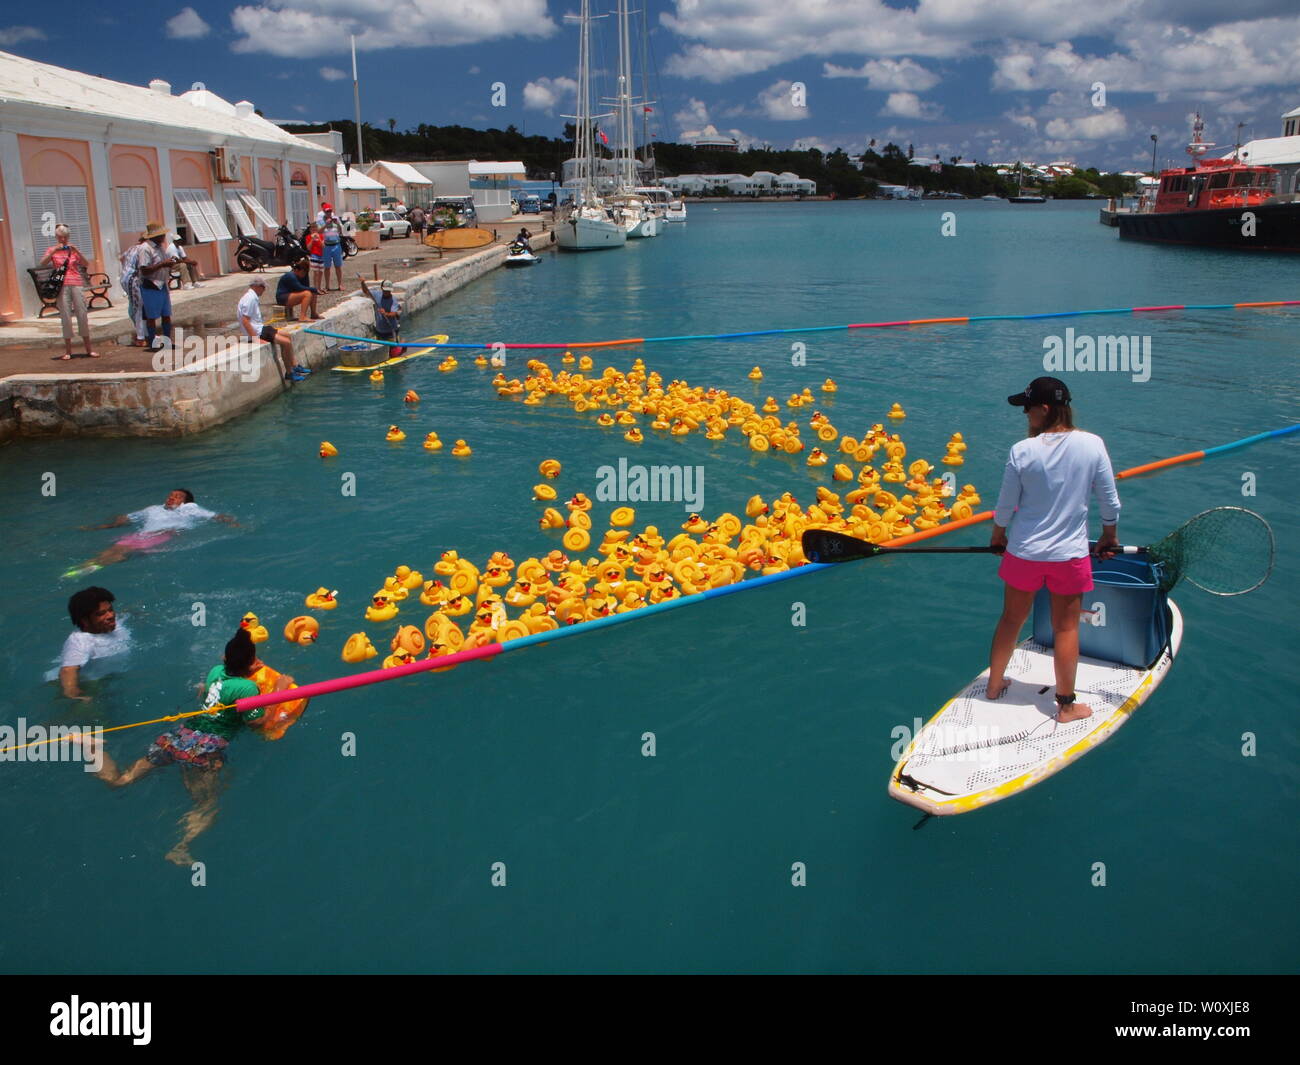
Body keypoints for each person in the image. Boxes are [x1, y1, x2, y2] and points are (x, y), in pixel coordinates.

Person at [78, 627, 298, 865]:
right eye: (256, 659)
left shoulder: (215, 671)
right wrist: (279, 691)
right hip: (204, 749)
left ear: (224, 659)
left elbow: (205, 692)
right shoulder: (248, 688)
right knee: (208, 805)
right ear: (249, 666)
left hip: (179, 736)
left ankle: (90, 746)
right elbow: (256, 722)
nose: (260, 662)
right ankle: (180, 846)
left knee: (120, 781)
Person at [987, 377, 1121, 723]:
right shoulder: (1092, 445)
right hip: (1068, 557)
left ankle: (994, 685)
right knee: (1066, 629)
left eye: (1027, 409)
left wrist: (998, 536)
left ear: (1044, 410)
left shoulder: (1022, 451)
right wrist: (1109, 535)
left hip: (1023, 553)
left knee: (1011, 619)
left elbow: (1005, 505)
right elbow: (1109, 499)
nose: (1025, 415)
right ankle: (1065, 706)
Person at [70, 488, 238, 573]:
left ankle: (92, 567)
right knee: (113, 549)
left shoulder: (190, 509)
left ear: (185, 502)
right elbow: (126, 519)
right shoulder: (152, 509)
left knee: (124, 550)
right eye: (171, 495)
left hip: (163, 534)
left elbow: (215, 516)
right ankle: (86, 566)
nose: (172, 497)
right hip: (140, 536)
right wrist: (101, 526)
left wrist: (232, 523)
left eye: (178, 496)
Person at [46, 587, 130, 701]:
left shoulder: (112, 624)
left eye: (110, 609)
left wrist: (137, 613)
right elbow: (68, 670)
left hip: (104, 677)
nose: (110, 616)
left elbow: (125, 613)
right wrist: (74, 694)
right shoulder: (80, 641)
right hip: (84, 682)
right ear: (84, 620)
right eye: (101, 613)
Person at [38, 224, 99, 360]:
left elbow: (85, 263)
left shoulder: (72, 251)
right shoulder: (52, 250)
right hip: (62, 285)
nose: (63, 240)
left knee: (82, 314)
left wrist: (76, 250)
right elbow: (42, 263)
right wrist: (53, 251)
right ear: (56, 237)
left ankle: (89, 349)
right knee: (65, 316)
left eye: (65, 237)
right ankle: (68, 351)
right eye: (60, 237)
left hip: (76, 283)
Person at [238, 278, 306, 381]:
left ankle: (295, 365)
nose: (264, 290)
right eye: (263, 287)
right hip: (257, 332)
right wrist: (255, 339)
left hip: (260, 328)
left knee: (287, 335)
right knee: (286, 342)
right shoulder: (250, 299)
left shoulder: (251, 297)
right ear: (256, 287)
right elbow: (245, 320)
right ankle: (289, 372)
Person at [134, 220, 179, 351]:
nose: (164, 237)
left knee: (166, 314)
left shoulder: (160, 247)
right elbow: (144, 270)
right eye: (162, 235)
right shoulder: (145, 249)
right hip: (151, 286)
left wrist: (169, 264)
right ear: (155, 236)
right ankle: (152, 341)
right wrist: (163, 264)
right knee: (151, 316)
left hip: (162, 284)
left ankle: (167, 340)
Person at [118, 233, 149, 346]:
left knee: (134, 305)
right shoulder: (144, 248)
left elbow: (121, 258)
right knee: (138, 307)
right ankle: (141, 337)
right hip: (132, 279)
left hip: (125, 278)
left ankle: (143, 332)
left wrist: (127, 267)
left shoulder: (133, 247)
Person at [359, 276, 402, 356]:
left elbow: (394, 313)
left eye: (389, 291)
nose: (387, 293)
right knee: (381, 353)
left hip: (390, 332)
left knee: (394, 354)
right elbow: (366, 291)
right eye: (385, 291)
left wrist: (385, 313)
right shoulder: (377, 294)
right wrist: (362, 283)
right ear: (382, 289)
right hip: (380, 331)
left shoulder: (393, 300)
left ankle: (400, 345)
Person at [317, 203, 345, 291]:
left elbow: (341, 231)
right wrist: (326, 224)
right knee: (327, 267)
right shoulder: (321, 221)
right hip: (327, 246)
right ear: (324, 212)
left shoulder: (335, 219)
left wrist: (338, 224)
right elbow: (319, 232)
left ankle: (340, 284)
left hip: (336, 244)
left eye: (330, 211)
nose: (329, 213)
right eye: (327, 211)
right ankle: (327, 286)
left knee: (338, 266)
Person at [304, 222, 325, 291]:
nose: (314, 230)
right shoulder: (308, 237)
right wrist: (312, 239)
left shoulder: (321, 236)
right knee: (315, 272)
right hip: (314, 255)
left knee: (321, 272)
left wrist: (318, 238)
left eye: (315, 228)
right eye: (312, 228)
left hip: (321, 255)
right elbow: (308, 248)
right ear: (310, 230)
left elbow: (323, 246)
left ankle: (319, 287)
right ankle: (315, 288)